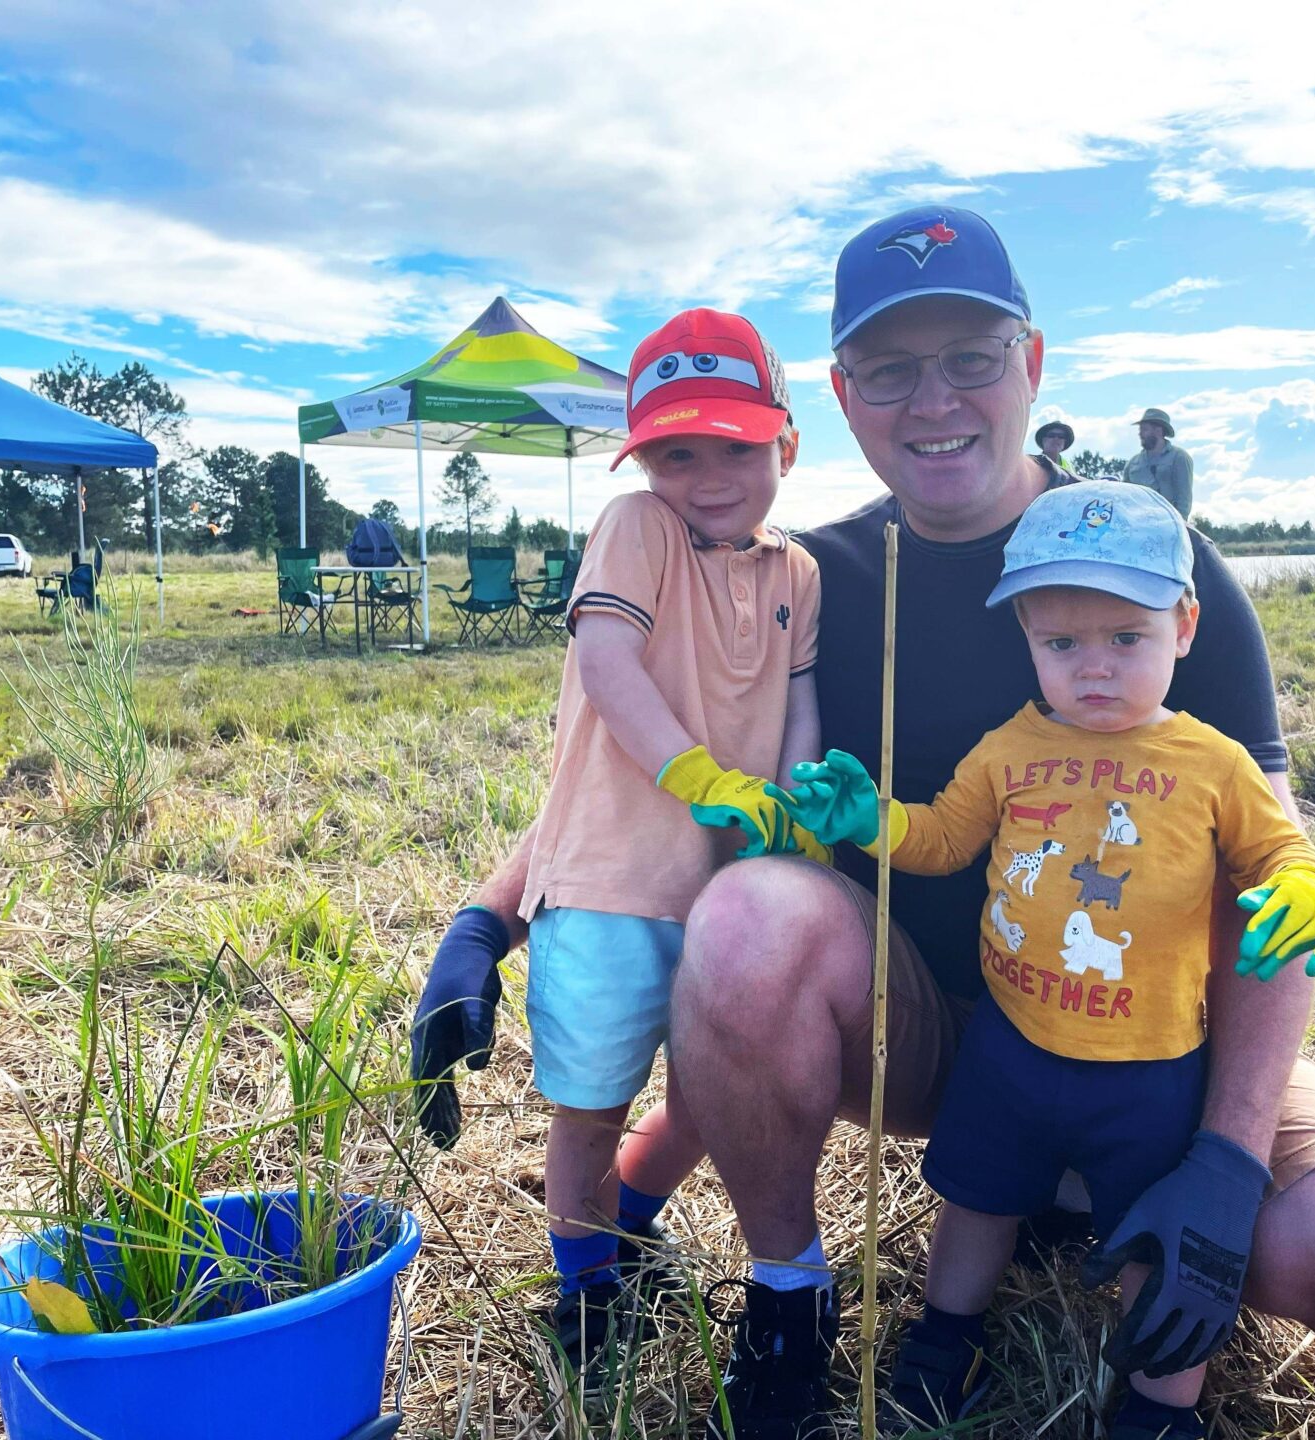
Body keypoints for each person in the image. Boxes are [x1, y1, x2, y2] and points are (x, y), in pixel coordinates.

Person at [413, 205, 1315, 1440]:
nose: (934, 399)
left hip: (1145, 1040)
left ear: (1033, 364)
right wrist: (487, 918)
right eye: (892, 369)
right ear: (841, 398)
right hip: (931, 1037)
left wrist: (1226, 1153)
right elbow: (650, 765)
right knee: (751, 911)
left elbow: (1268, 866)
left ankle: (1102, 1203)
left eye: (972, 357)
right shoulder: (808, 579)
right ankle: (791, 1307)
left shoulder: (1150, 569)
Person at [767, 481, 1315, 1435]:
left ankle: (1163, 1405)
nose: (1094, 668)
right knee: (975, 1199)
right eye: (1061, 643)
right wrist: (867, 819)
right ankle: (944, 1339)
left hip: (1154, 1065)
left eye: (1127, 639)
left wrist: (1308, 888)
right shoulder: (1010, 747)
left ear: (1185, 628)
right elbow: (944, 839)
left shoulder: (1214, 763)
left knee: (1149, 1239)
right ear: (1028, 641)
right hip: (1014, 1042)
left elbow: (1280, 852)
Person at [408, 308, 826, 1383]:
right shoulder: (636, 528)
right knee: (591, 1105)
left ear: (786, 444)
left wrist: (799, 801)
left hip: (722, 892)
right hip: (607, 881)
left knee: (706, 1100)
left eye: (735, 446)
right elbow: (609, 664)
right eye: (678, 452)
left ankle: (632, 1219)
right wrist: (695, 774)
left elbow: (799, 700)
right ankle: (585, 1284)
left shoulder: (800, 575)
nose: (708, 474)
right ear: (645, 460)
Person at [1125, 407, 1194, 519]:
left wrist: (1179, 525)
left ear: (1158, 431)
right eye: (1140, 430)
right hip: (1138, 524)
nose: (1140, 434)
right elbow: (1125, 498)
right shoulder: (1133, 464)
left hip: (1168, 523)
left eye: (1145, 430)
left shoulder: (1179, 457)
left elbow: (1184, 499)